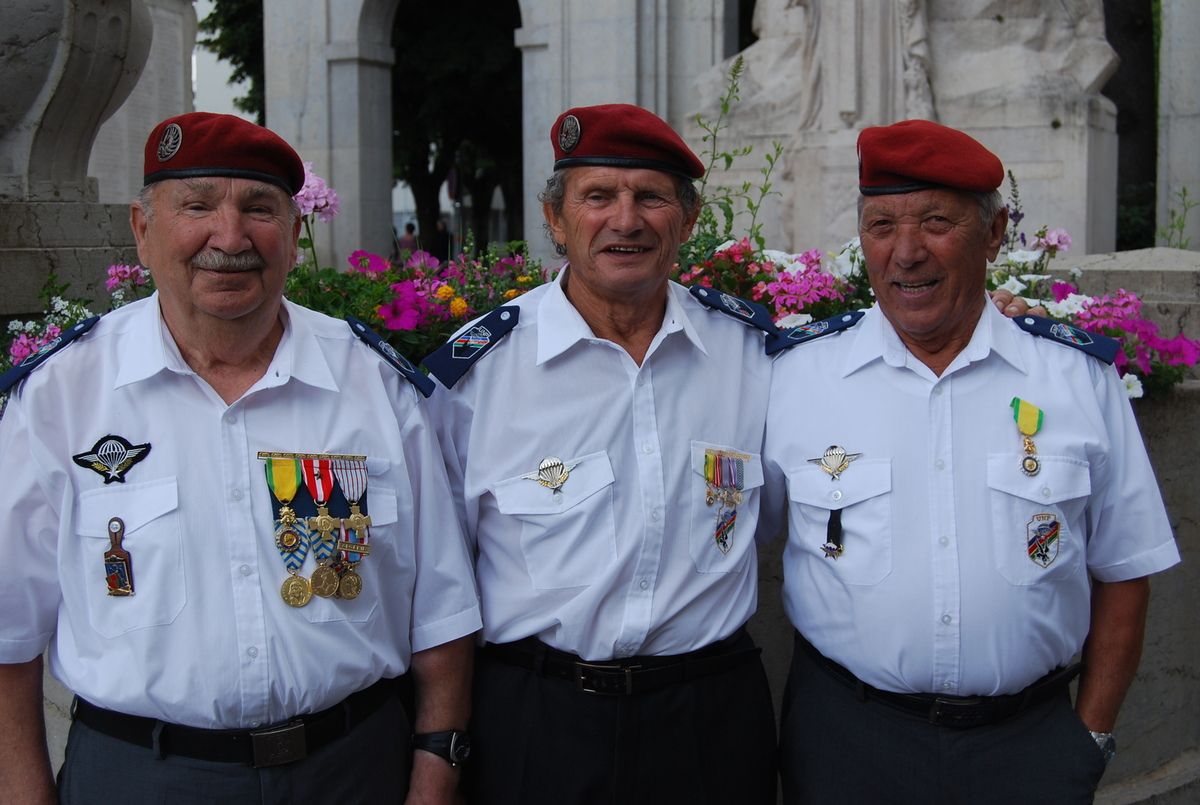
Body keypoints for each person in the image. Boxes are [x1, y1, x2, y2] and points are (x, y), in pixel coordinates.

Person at [0, 112, 480, 804]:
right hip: (141, 777)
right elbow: (9, 634)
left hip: (349, 769)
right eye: (196, 206)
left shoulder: (372, 383)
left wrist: (435, 773)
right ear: (142, 229)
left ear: (292, 234)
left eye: (259, 209)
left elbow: (440, 606)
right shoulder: (61, 397)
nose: (229, 237)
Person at [763, 119, 1181, 804]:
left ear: (993, 233)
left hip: (1028, 749)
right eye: (880, 224)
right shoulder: (795, 377)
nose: (905, 253)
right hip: (847, 742)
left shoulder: (1075, 379)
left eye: (935, 221)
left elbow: (1127, 568)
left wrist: (1090, 737)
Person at [422, 103, 781, 805]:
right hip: (540, 718)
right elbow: (439, 584)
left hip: (711, 717)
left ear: (689, 216)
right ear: (556, 219)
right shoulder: (474, 377)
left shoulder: (756, 354)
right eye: (598, 197)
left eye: (650, 196)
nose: (626, 220)